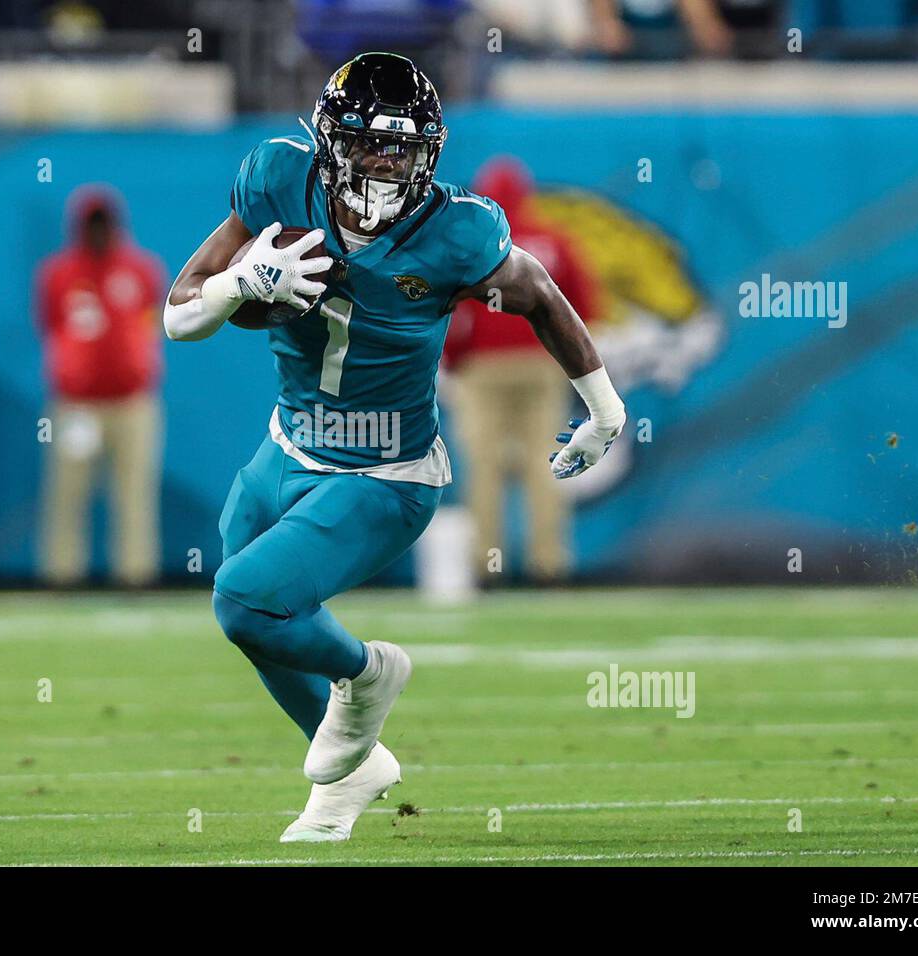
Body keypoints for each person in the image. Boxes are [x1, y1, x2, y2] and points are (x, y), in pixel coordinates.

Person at [163, 53, 625, 842]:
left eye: (403, 148)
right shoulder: (278, 178)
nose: (386, 162)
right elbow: (178, 315)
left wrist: (604, 410)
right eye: (370, 144)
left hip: (386, 469)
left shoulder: (456, 230)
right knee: (254, 603)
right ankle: (353, 775)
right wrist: (241, 284)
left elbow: (541, 293)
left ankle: (368, 674)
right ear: (328, 142)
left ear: (429, 153)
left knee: (243, 598)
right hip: (290, 442)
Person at [444, 156, 602, 585]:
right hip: (541, 362)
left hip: (482, 368)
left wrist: (453, 362)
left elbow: (449, 312)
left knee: (484, 467)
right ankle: (549, 566)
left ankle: (486, 565)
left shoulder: (469, 243)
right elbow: (583, 312)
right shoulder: (554, 240)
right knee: (547, 464)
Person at [36, 186, 164, 587]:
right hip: (77, 405)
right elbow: (51, 326)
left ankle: (135, 576)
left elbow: (152, 325)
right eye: (91, 224)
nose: (98, 232)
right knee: (68, 494)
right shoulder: (58, 274)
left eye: (103, 224)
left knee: (133, 494)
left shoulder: (142, 270)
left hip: (131, 402)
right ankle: (61, 576)